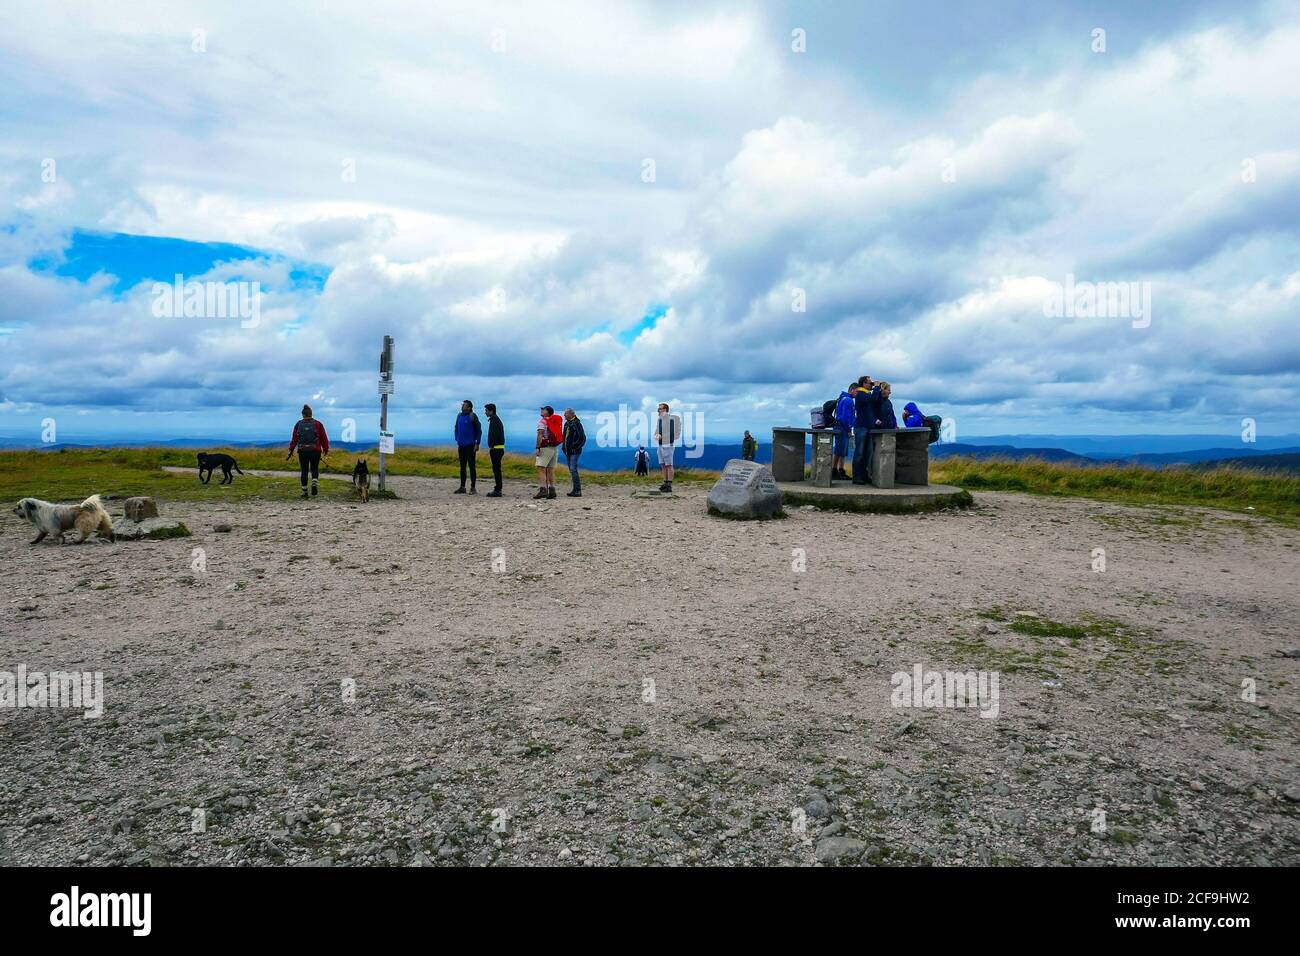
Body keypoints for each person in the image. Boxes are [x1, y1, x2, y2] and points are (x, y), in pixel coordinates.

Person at [285, 404, 330, 498]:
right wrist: (325, 449)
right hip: (315, 450)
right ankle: (314, 482)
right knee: (314, 468)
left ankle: (304, 492)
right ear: (311, 414)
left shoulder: (298, 424)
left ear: (303, 415)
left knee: (304, 470)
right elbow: (323, 438)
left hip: (302, 451)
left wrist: (291, 450)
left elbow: (294, 439)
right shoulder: (318, 424)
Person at [851, 375, 877, 485]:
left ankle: (864, 475)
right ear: (864, 384)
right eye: (869, 382)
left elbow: (875, 400)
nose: (871, 384)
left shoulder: (866, 394)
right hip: (861, 427)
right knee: (859, 453)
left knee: (868, 453)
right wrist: (876, 387)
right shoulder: (860, 395)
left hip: (868, 427)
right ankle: (856, 476)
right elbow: (873, 399)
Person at [453, 400, 482, 494]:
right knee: (462, 467)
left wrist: (477, 443)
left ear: (469, 407)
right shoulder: (459, 416)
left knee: (472, 466)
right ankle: (462, 487)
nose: (462, 406)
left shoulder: (472, 416)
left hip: (471, 446)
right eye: (462, 405)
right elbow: (456, 427)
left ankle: (473, 488)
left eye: (464, 405)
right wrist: (457, 438)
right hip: (461, 445)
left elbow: (479, 430)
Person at [534, 405, 563, 499]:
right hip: (554, 447)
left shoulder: (542, 422)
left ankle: (543, 490)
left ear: (547, 412)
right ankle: (552, 490)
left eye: (544, 409)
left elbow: (540, 434)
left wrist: (538, 447)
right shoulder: (553, 421)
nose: (541, 410)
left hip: (545, 447)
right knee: (551, 470)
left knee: (541, 468)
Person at [654, 402, 682, 493]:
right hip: (660, 444)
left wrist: (663, 436)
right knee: (663, 465)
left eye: (660, 409)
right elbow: (657, 431)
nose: (658, 410)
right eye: (658, 409)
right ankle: (665, 483)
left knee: (669, 465)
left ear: (665, 410)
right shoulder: (660, 419)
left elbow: (673, 433)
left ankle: (669, 485)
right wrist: (657, 435)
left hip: (668, 445)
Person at [832, 383, 858, 480]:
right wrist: (848, 429)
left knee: (842, 449)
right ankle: (835, 470)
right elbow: (845, 417)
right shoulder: (848, 400)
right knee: (840, 449)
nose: (857, 394)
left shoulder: (842, 399)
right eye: (856, 391)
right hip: (842, 428)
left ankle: (840, 470)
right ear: (851, 390)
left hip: (839, 427)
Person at [562, 407, 586, 497]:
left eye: (566, 413)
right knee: (572, 470)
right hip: (568, 451)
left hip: (574, 452)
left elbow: (582, 438)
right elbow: (564, 436)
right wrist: (564, 448)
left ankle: (577, 490)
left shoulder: (577, 424)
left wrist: (574, 447)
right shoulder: (567, 424)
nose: (564, 415)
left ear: (571, 414)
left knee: (573, 469)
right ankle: (575, 490)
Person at [484, 403, 506, 497]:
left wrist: (492, 445)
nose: (485, 412)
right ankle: (498, 488)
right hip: (498, 449)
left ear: (491, 411)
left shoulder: (494, 420)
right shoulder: (495, 419)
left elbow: (496, 435)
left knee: (496, 469)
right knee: (497, 469)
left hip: (496, 449)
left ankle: (498, 490)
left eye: (486, 410)